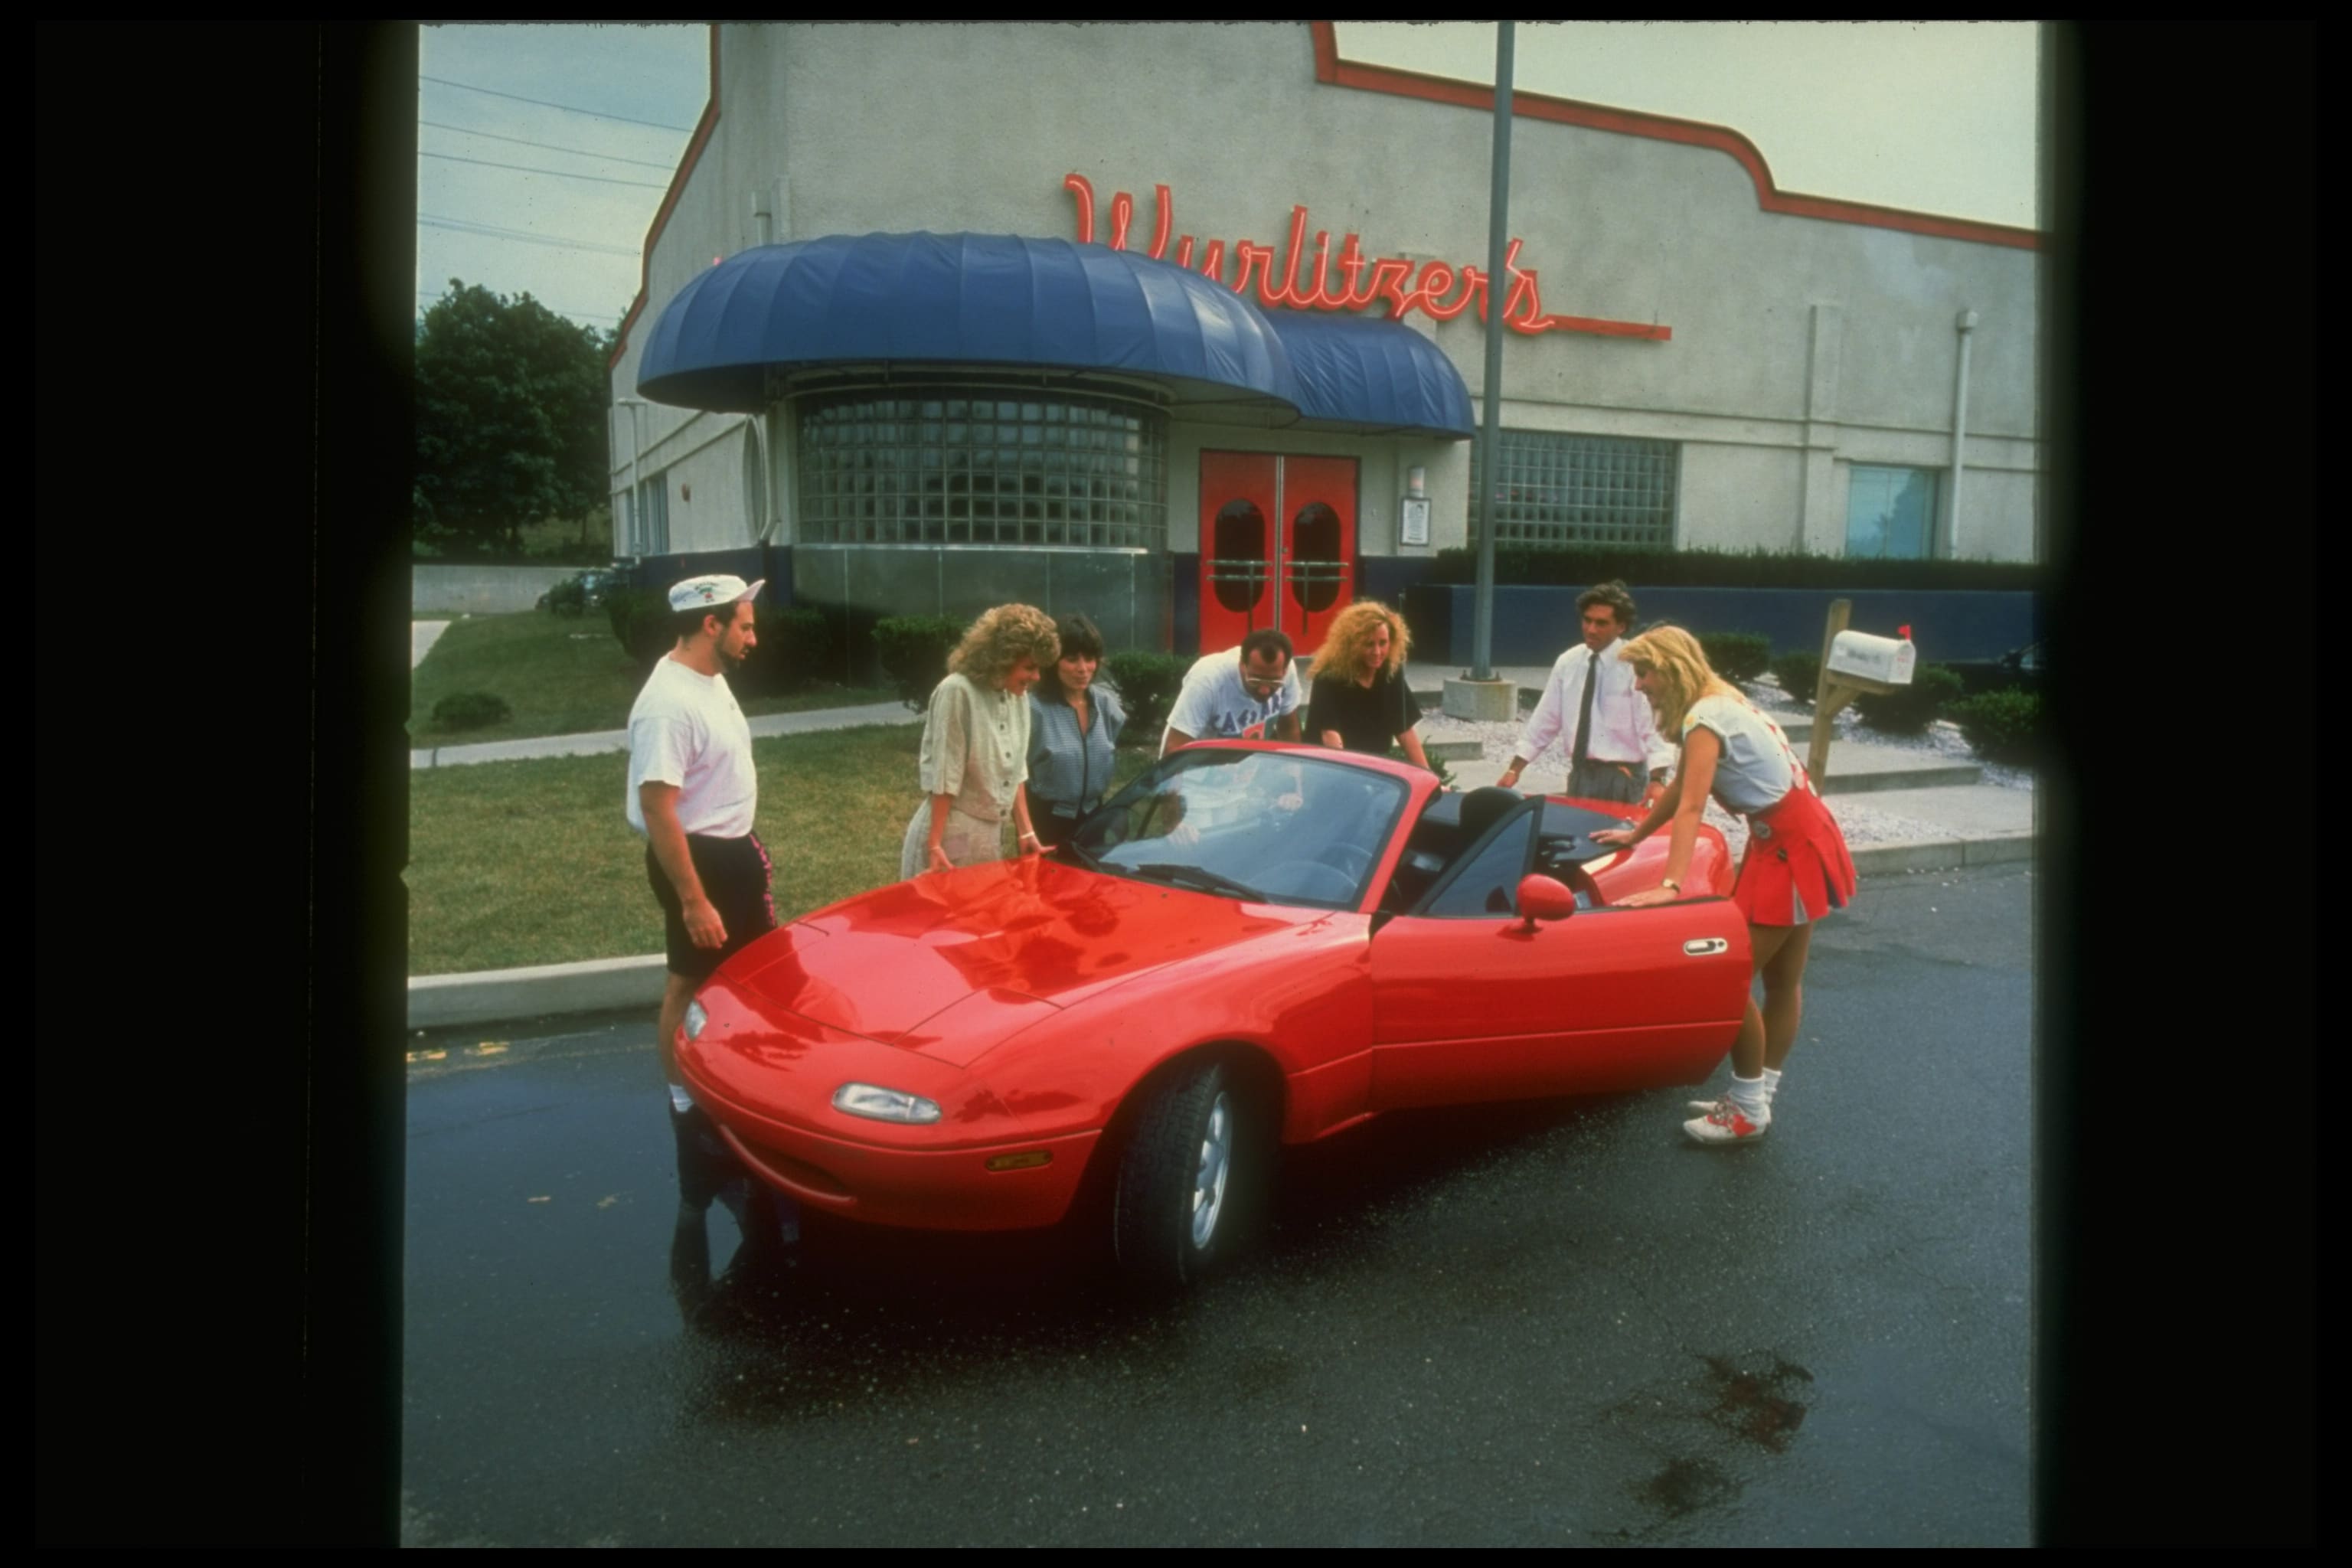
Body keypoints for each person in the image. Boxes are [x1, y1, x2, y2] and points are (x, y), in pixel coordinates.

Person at [1589, 625, 1858, 1147]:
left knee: (1727, 981)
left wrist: (1671, 883)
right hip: (1798, 837)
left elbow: (1692, 805)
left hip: (1787, 847)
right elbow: (1683, 789)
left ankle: (1749, 1108)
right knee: (1781, 981)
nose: (1639, 685)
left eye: (1643, 673)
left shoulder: (1703, 718)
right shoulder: (1721, 699)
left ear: (1670, 668)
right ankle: (1756, 1098)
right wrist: (1638, 832)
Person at [626, 573, 776, 1122]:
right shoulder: (667, 705)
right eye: (745, 628)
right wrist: (693, 901)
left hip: (734, 849)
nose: (753, 639)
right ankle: (683, 1097)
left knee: (755, 972)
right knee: (689, 982)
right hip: (697, 860)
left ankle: (742, 1078)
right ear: (711, 624)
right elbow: (656, 808)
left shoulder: (709, 675)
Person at [900, 603, 1060, 878]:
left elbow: (1016, 769)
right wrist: (934, 845)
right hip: (949, 835)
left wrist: (1026, 831)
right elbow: (945, 775)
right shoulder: (957, 691)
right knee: (944, 906)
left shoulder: (1017, 696)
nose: (1036, 677)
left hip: (989, 836)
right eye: (1029, 667)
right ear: (1002, 659)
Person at [1497, 580, 1673, 807]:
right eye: (1587, 620)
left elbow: (1654, 727)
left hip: (1624, 778)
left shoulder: (1635, 666)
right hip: (1580, 776)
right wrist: (1514, 770)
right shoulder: (1568, 662)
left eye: (1601, 623)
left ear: (1621, 627)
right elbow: (1545, 720)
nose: (1591, 629)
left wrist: (1657, 781)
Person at [1024, 613, 1127, 849]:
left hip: (1093, 820)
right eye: (1071, 659)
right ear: (1053, 662)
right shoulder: (1033, 709)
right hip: (1047, 821)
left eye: (1089, 659)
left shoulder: (1106, 705)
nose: (1082, 669)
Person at [1304, 599, 1434, 771]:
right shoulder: (1328, 677)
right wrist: (1350, 777)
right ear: (1351, 644)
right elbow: (1330, 735)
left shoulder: (1389, 673)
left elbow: (1405, 731)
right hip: (1331, 765)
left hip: (1374, 763)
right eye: (1369, 644)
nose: (1377, 652)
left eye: (1383, 643)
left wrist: (1429, 777)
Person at [1160, 629, 1303, 756]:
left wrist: (1294, 773)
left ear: (1284, 671)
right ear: (1242, 665)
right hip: (1198, 768)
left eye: (1274, 682)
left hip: (1243, 768)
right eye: (1255, 680)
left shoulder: (1288, 669)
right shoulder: (1207, 679)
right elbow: (1174, 748)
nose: (1264, 690)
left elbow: (1289, 729)